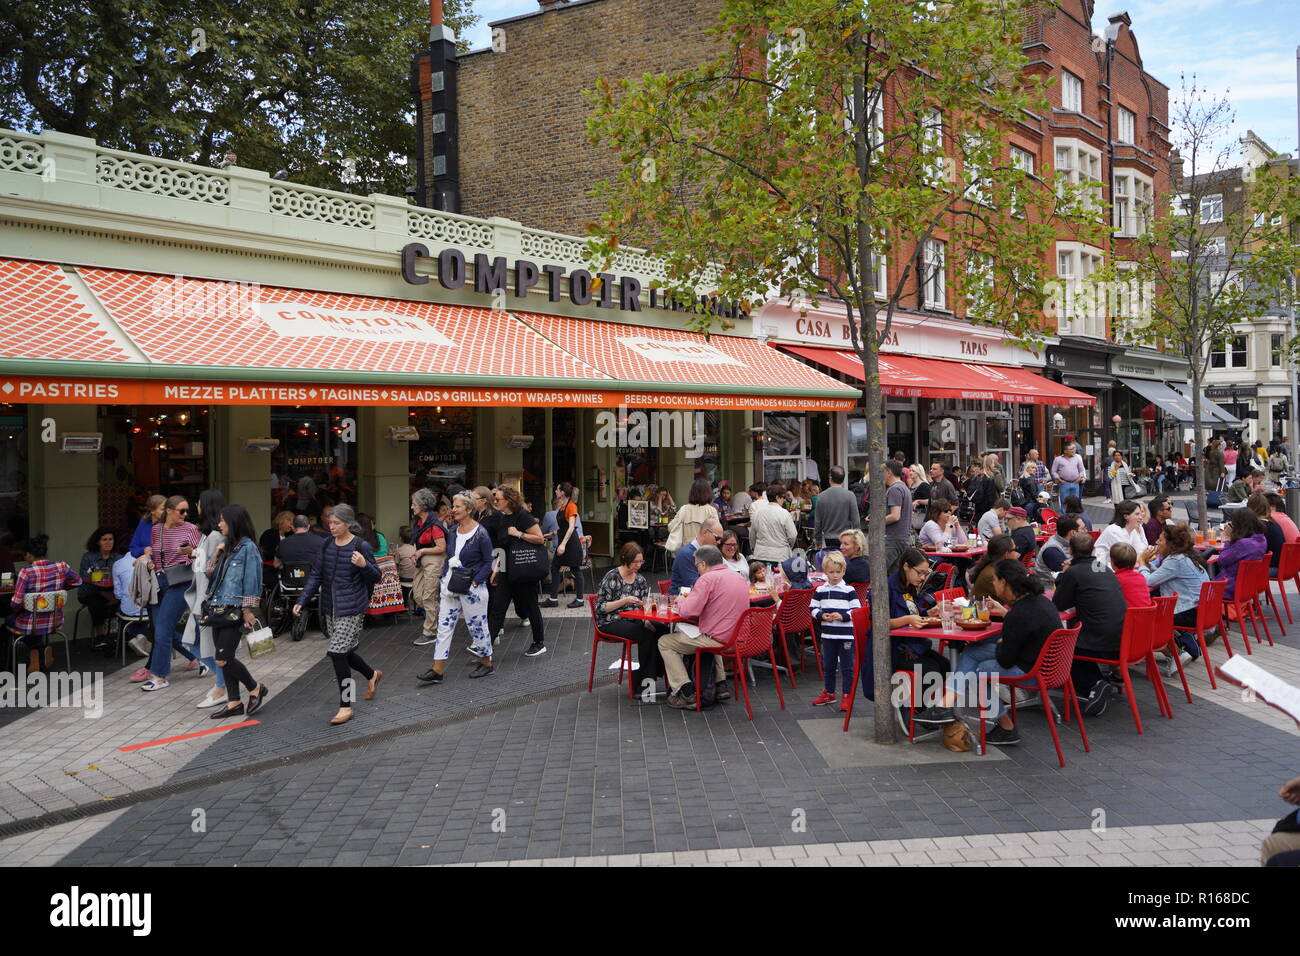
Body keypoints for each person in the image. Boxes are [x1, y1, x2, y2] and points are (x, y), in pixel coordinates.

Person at [925, 560, 1060, 744]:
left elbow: (1005, 660)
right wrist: (1003, 632)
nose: (993, 584)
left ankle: (1006, 727)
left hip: (1033, 672)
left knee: (976, 672)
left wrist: (1003, 642)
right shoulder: (1039, 602)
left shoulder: (1019, 613)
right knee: (972, 651)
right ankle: (945, 706)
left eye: (995, 580)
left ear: (1004, 582)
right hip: (1053, 668)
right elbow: (1025, 628)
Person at [295, 504, 383, 724]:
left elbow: (377, 576)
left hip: (352, 607)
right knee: (344, 652)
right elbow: (316, 575)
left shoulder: (360, 545)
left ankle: (346, 705)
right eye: (330, 523)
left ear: (348, 524)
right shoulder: (326, 544)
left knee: (336, 653)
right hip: (330, 607)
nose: (331, 526)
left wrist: (364, 565)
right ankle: (372, 675)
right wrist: (302, 600)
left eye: (336, 523)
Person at [416, 493, 494, 685]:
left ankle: (486, 663)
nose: (453, 509)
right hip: (450, 587)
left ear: (469, 509)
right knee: (444, 627)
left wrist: (475, 581)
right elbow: (448, 556)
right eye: (453, 505)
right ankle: (437, 669)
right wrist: (444, 577)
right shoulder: (452, 531)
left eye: (458, 506)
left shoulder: (481, 533)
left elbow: (488, 562)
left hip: (472, 589)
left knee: (477, 627)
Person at [658, 545, 745, 709]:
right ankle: (720, 684)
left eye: (697, 565)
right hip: (738, 637)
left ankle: (686, 690)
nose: (697, 570)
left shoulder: (707, 579)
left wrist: (681, 600)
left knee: (665, 642)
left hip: (719, 641)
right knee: (712, 632)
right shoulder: (737, 577)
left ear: (703, 564)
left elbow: (689, 611)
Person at [204, 504, 270, 719]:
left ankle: (255, 687)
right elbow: (210, 575)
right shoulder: (227, 546)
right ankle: (234, 702)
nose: (219, 524)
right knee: (223, 656)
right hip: (218, 608)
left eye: (223, 520)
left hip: (234, 609)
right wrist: (216, 554)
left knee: (224, 659)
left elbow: (252, 580)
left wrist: (248, 609)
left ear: (233, 523)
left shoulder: (248, 548)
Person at [1053, 533, 1124, 715]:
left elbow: (1059, 604)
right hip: (1121, 637)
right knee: (1077, 644)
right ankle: (1099, 682)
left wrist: (1064, 573)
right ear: (1093, 550)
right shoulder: (1103, 568)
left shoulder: (1074, 572)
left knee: (1063, 649)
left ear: (1070, 551)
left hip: (1099, 641)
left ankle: (1095, 684)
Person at [138, 496, 202, 692]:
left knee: (164, 627)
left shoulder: (191, 529)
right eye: (181, 511)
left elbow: (201, 556)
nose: (185, 515)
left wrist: (190, 552)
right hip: (160, 581)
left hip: (181, 582)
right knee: (159, 628)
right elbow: (156, 556)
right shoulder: (156, 530)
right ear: (169, 511)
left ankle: (160, 676)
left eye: (186, 511)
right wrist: (149, 562)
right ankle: (201, 656)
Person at [882, 549, 952, 726]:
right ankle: (916, 708)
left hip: (910, 645)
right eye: (920, 572)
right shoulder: (888, 587)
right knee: (930, 668)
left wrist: (929, 611)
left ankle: (927, 708)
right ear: (906, 566)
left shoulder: (909, 587)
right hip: (891, 649)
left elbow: (914, 612)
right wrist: (907, 619)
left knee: (944, 664)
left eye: (925, 573)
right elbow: (879, 622)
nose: (922, 578)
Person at [594, 542, 669, 693]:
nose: (638, 565)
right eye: (635, 562)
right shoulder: (612, 577)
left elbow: (642, 606)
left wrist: (646, 619)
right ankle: (643, 683)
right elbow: (600, 608)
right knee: (645, 634)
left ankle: (655, 673)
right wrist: (625, 600)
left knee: (662, 630)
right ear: (625, 559)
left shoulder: (640, 579)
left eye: (641, 561)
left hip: (633, 619)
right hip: (611, 620)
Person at [1138, 522, 1210, 672]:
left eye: (1160, 540)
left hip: (1190, 612)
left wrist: (1142, 562)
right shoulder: (1185, 556)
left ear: (1170, 544)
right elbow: (1161, 573)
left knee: (1147, 618)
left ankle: (1177, 653)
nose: (1157, 543)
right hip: (1201, 610)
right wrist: (1148, 566)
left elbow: (1147, 581)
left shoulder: (1175, 560)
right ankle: (1182, 645)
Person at [182, 489, 229, 709]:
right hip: (203, 598)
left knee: (199, 644)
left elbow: (210, 572)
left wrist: (201, 603)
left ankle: (223, 685)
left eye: (199, 502)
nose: (196, 506)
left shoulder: (214, 537)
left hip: (205, 600)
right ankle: (224, 682)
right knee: (197, 643)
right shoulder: (209, 535)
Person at [489, 485, 547, 658]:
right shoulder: (502, 518)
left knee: (530, 606)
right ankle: (486, 648)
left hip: (523, 570)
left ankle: (539, 642)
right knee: (497, 608)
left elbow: (540, 538)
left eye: (497, 499)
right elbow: (503, 546)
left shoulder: (522, 516)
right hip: (507, 570)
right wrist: (496, 569)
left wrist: (519, 534)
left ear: (508, 500)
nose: (495, 501)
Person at [7, 534, 80, 673]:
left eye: (25, 555)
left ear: (29, 554)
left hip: (30, 623)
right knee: (34, 622)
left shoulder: (26, 572)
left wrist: (22, 606)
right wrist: (59, 591)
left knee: (10, 621)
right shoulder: (61, 566)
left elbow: (15, 603)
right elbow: (78, 581)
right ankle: (39, 653)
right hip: (55, 621)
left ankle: (34, 655)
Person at [809, 551, 861, 712]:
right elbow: (812, 607)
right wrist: (821, 615)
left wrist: (843, 616)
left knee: (846, 667)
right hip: (828, 634)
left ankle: (847, 695)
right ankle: (829, 692)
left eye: (838, 572)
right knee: (829, 665)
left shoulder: (849, 590)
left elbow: (857, 610)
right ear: (825, 572)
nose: (835, 575)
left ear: (844, 571)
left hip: (845, 635)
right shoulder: (820, 590)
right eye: (831, 572)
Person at [542, 482, 585, 608]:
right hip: (564, 542)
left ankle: (580, 600)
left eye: (557, 490)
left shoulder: (571, 506)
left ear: (562, 493)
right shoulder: (562, 507)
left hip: (571, 544)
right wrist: (551, 534)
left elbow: (571, 528)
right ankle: (553, 599)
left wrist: (563, 545)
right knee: (555, 567)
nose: (555, 491)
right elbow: (563, 527)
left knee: (575, 570)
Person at [77, 527, 120, 648]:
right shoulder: (88, 557)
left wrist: (103, 577)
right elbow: (87, 578)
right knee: (96, 602)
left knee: (124, 600)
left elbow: (120, 578)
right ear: (97, 542)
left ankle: (120, 635)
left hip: (113, 592)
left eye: (111, 539)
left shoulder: (118, 558)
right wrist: (106, 579)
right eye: (104, 539)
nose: (108, 542)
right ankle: (100, 636)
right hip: (90, 592)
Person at [1214, 507, 1268, 603]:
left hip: (1230, 587)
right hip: (1248, 586)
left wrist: (1226, 539)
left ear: (1239, 525)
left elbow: (1222, 560)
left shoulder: (1243, 544)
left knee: (1198, 587)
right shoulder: (1261, 539)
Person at [112, 547, 150, 657]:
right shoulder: (151, 560)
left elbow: (118, 594)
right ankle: (141, 636)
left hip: (129, 609)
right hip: (149, 608)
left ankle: (133, 636)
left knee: (123, 609)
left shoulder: (118, 564)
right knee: (146, 610)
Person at [670, 517, 723, 595]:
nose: (719, 542)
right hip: (682, 600)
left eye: (721, 539)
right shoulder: (686, 554)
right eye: (717, 538)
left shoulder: (711, 553)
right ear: (705, 533)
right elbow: (695, 586)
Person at [750, 482, 798, 567]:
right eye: (783, 497)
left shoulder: (758, 513)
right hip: (780, 555)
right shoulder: (784, 513)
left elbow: (752, 535)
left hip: (761, 554)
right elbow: (792, 535)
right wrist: (788, 546)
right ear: (777, 497)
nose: (784, 500)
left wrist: (754, 548)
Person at [815, 465, 860, 550]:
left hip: (829, 538)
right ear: (843, 479)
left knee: (833, 561)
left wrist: (818, 541)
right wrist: (857, 540)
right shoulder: (850, 495)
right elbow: (856, 521)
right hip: (846, 538)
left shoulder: (821, 496)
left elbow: (818, 522)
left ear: (830, 478)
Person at [667, 479, 717, 554]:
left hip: (686, 552)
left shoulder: (684, 509)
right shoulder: (711, 511)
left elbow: (671, 527)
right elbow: (717, 533)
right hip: (706, 553)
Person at [1095, 500, 1148, 570]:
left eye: (1140, 514)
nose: (1141, 517)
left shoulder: (1132, 529)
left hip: (1119, 567)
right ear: (1126, 516)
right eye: (1137, 514)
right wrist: (1143, 556)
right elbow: (1126, 558)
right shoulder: (1114, 531)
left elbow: (1140, 550)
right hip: (1103, 568)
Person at [968, 535, 1019, 603]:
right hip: (980, 611)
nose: (1017, 553)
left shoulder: (997, 567)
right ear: (1006, 555)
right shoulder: (992, 575)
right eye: (1015, 549)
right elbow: (1012, 600)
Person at [882, 460, 913, 573]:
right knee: (896, 576)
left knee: (879, 572)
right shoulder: (904, 487)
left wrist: (877, 522)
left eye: (883, 472)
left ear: (889, 472)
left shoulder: (894, 489)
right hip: (902, 538)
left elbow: (895, 516)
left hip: (893, 539)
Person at [1247, 493, 1285, 569]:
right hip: (1280, 564)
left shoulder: (1260, 526)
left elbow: (1248, 547)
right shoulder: (1271, 522)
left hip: (1270, 566)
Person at [1109, 543, 1152, 609]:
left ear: (1112, 563)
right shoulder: (1141, 577)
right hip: (1147, 617)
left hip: (1127, 618)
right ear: (1134, 563)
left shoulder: (1114, 580)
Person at [1051, 442, 1087, 510]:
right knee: (1064, 501)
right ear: (1065, 451)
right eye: (1071, 449)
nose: (1074, 450)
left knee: (1075, 502)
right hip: (1064, 483)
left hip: (1075, 483)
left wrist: (1079, 478)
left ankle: (1074, 517)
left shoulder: (1077, 458)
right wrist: (1059, 480)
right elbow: (1053, 471)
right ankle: (1064, 517)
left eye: (1074, 448)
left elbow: (1082, 470)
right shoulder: (1058, 459)